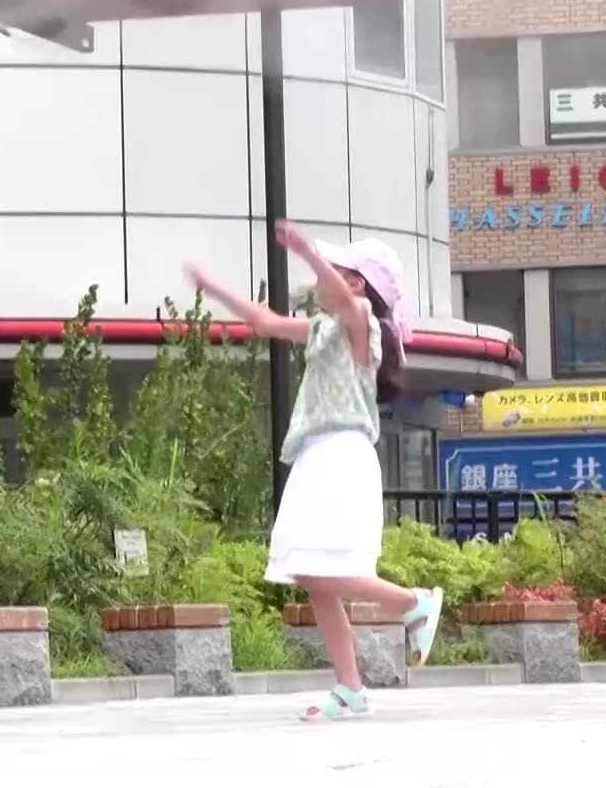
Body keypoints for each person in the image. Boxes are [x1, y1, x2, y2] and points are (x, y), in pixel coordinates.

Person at [184, 223, 444, 722]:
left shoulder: (360, 319)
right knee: (313, 577)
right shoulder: (324, 329)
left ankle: (414, 603)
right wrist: (213, 287)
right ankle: (351, 688)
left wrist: (306, 252)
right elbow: (264, 322)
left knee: (321, 569)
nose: (320, 281)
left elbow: (345, 303)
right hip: (318, 454)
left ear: (355, 283)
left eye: (335, 271)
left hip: (343, 455)